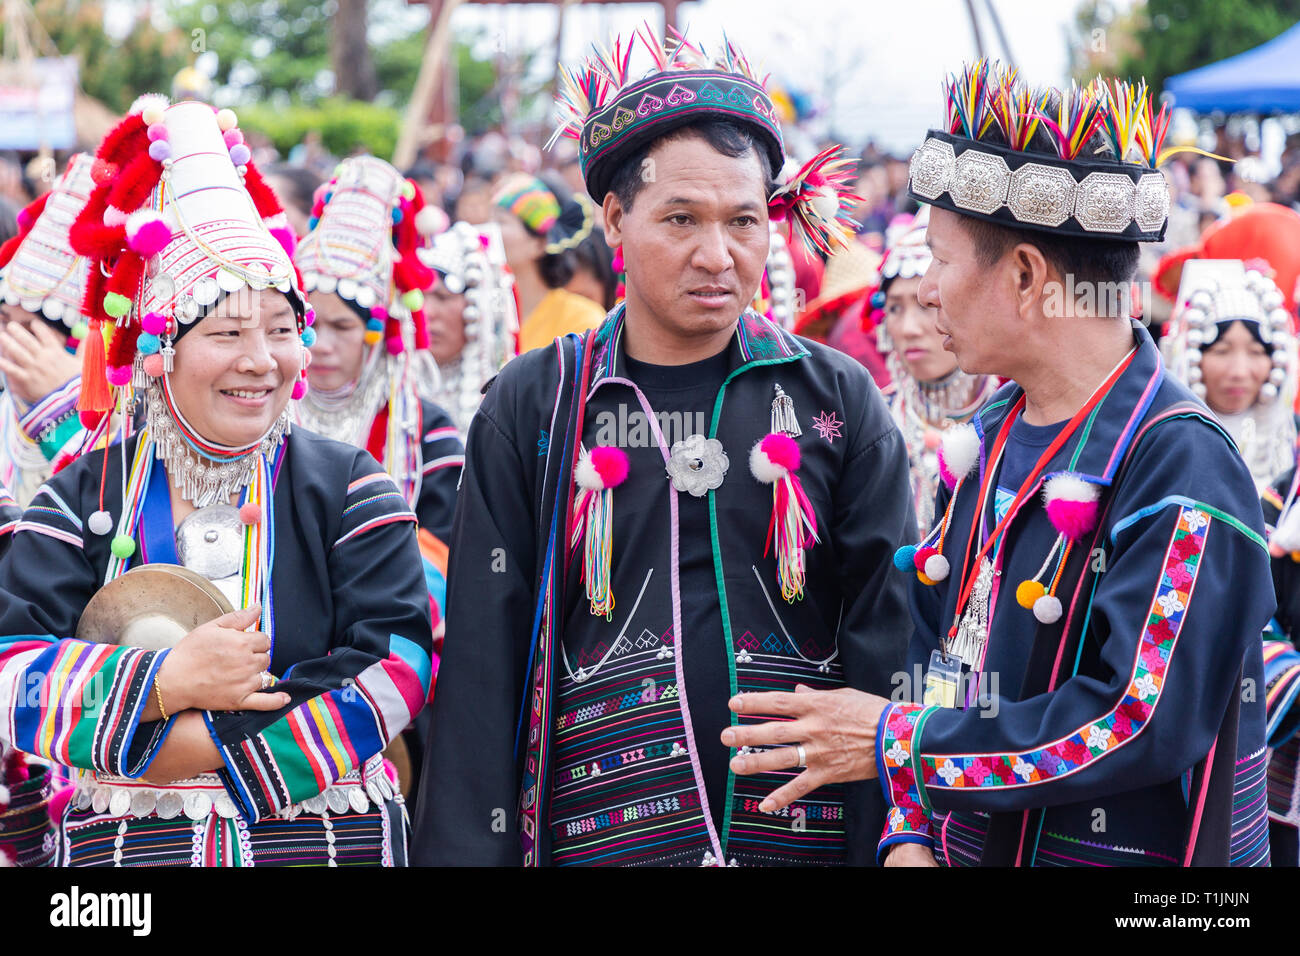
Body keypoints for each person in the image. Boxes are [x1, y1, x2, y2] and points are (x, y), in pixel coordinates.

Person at [725, 63, 1273, 867]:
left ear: (1023, 275)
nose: (930, 292)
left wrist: (897, 745)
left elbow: (1137, 718)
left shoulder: (1180, 463)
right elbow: (933, 664)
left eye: (943, 262)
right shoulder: (983, 439)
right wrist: (908, 831)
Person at [412, 30, 914, 867]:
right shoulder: (536, 403)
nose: (718, 255)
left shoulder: (835, 399)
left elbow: (887, 642)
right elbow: (480, 669)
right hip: (597, 843)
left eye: (743, 221)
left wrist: (895, 839)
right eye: (681, 219)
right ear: (614, 218)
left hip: (804, 840)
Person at [0, 96, 432, 866]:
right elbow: (13, 670)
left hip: (321, 844)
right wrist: (162, 680)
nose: (262, 360)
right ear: (159, 353)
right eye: (228, 333)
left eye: (280, 330)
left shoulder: (345, 489)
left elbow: (397, 661)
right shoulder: (83, 498)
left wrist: (193, 746)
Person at [292, 154, 463, 541]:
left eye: (343, 327)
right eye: (310, 325)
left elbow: (443, 559)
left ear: (382, 334)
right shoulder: (264, 416)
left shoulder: (426, 436)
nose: (321, 346)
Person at [874, 212, 998, 533]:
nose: (909, 329)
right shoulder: (870, 420)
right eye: (895, 308)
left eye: (927, 307)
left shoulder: (1008, 417)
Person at [0, 154, 107, 506]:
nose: (10, 339)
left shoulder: (118, 420)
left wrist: (61, 406)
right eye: (3, 322)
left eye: (30, 329)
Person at [1162, 261, 1297, 491]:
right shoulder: (1160, 444)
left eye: (1256, 352)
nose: (1239, 372)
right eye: (1221, 351)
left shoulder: (1294, 440)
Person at [419, 220, 518, 437]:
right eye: (419, 297)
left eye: (442, 297)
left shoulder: (510, 399)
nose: (426, 312)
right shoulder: (389, 397)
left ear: (480, 307)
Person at [491, 173, 606, 352]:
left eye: (501, 222)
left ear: (539, 243)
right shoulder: (487, 314)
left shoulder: (582, 319)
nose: (490, 231)